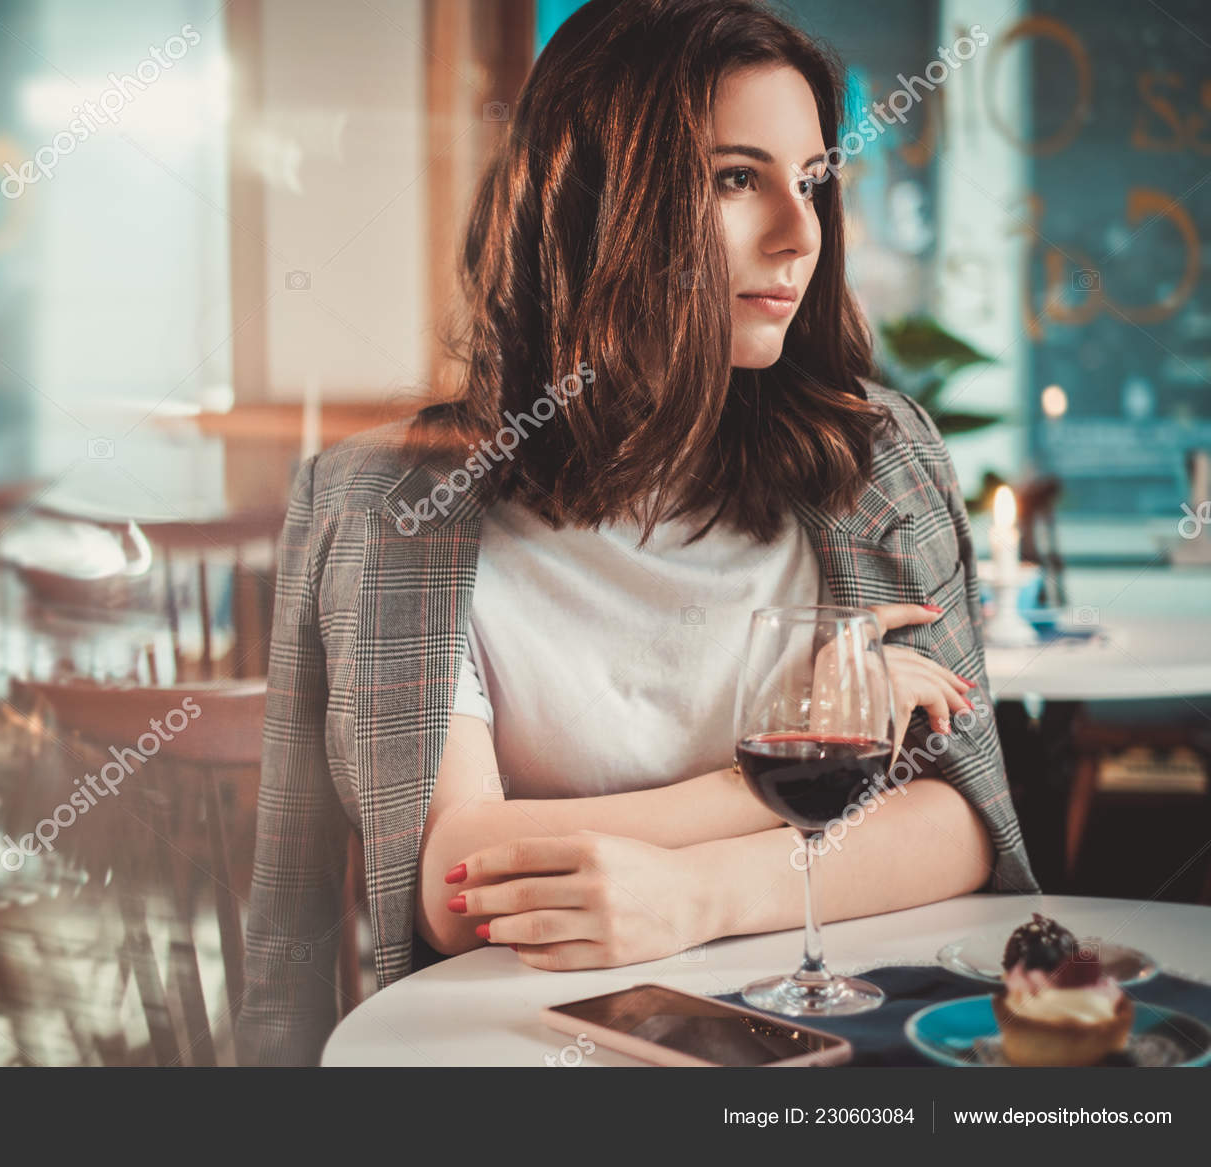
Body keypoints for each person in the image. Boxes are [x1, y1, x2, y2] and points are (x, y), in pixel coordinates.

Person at [235, 0, 1036, 1067]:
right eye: (734, 178)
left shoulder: (874, 460)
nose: (800, 233)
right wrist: (796, 755)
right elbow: (458, 882)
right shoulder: (390, 506)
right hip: (518, 1057)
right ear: (594, 203)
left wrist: (694, 895)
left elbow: (960, 825)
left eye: (809, 181)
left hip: (826, 1052)